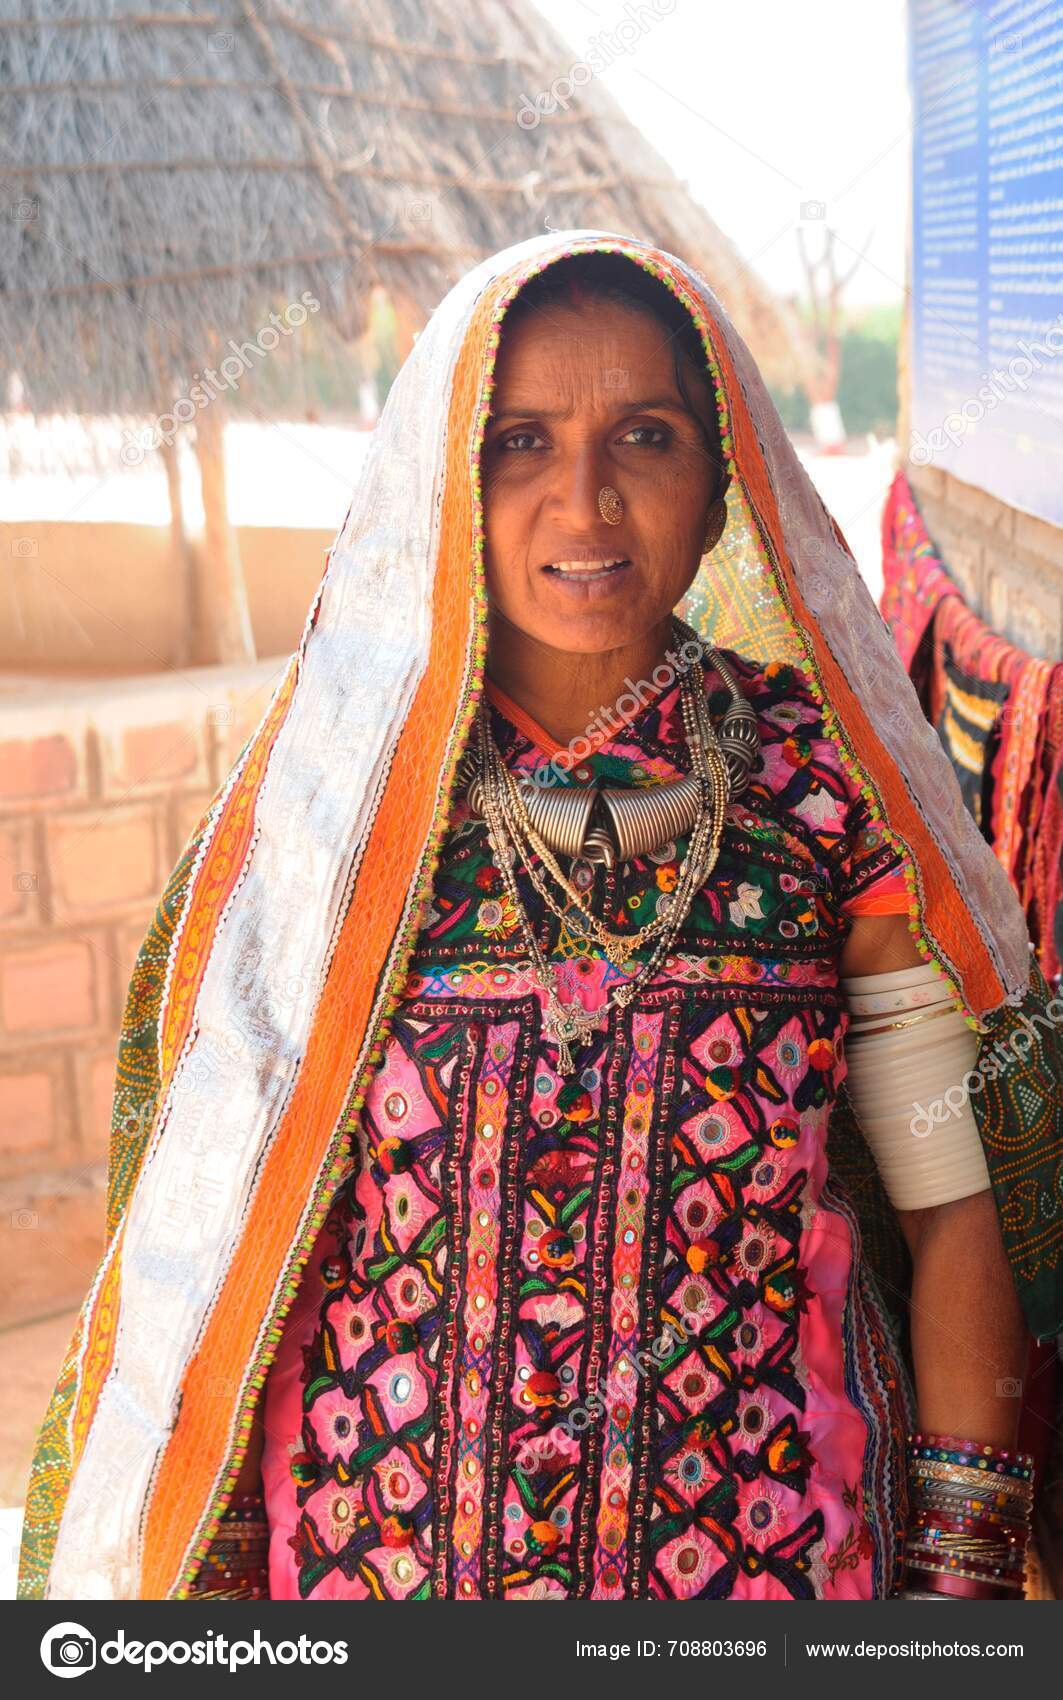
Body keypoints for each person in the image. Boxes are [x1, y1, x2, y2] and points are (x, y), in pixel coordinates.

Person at [21, 231, 1061, 1603]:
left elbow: (948, 1212)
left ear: (719, 491)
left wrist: (959, 1583)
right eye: (520, 440)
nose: (587, 501)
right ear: (448, 477)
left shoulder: (822, 788)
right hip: (372, 1578)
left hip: (765, 1575)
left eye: (646, 435)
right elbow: (222, 1240)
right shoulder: (339, 805)